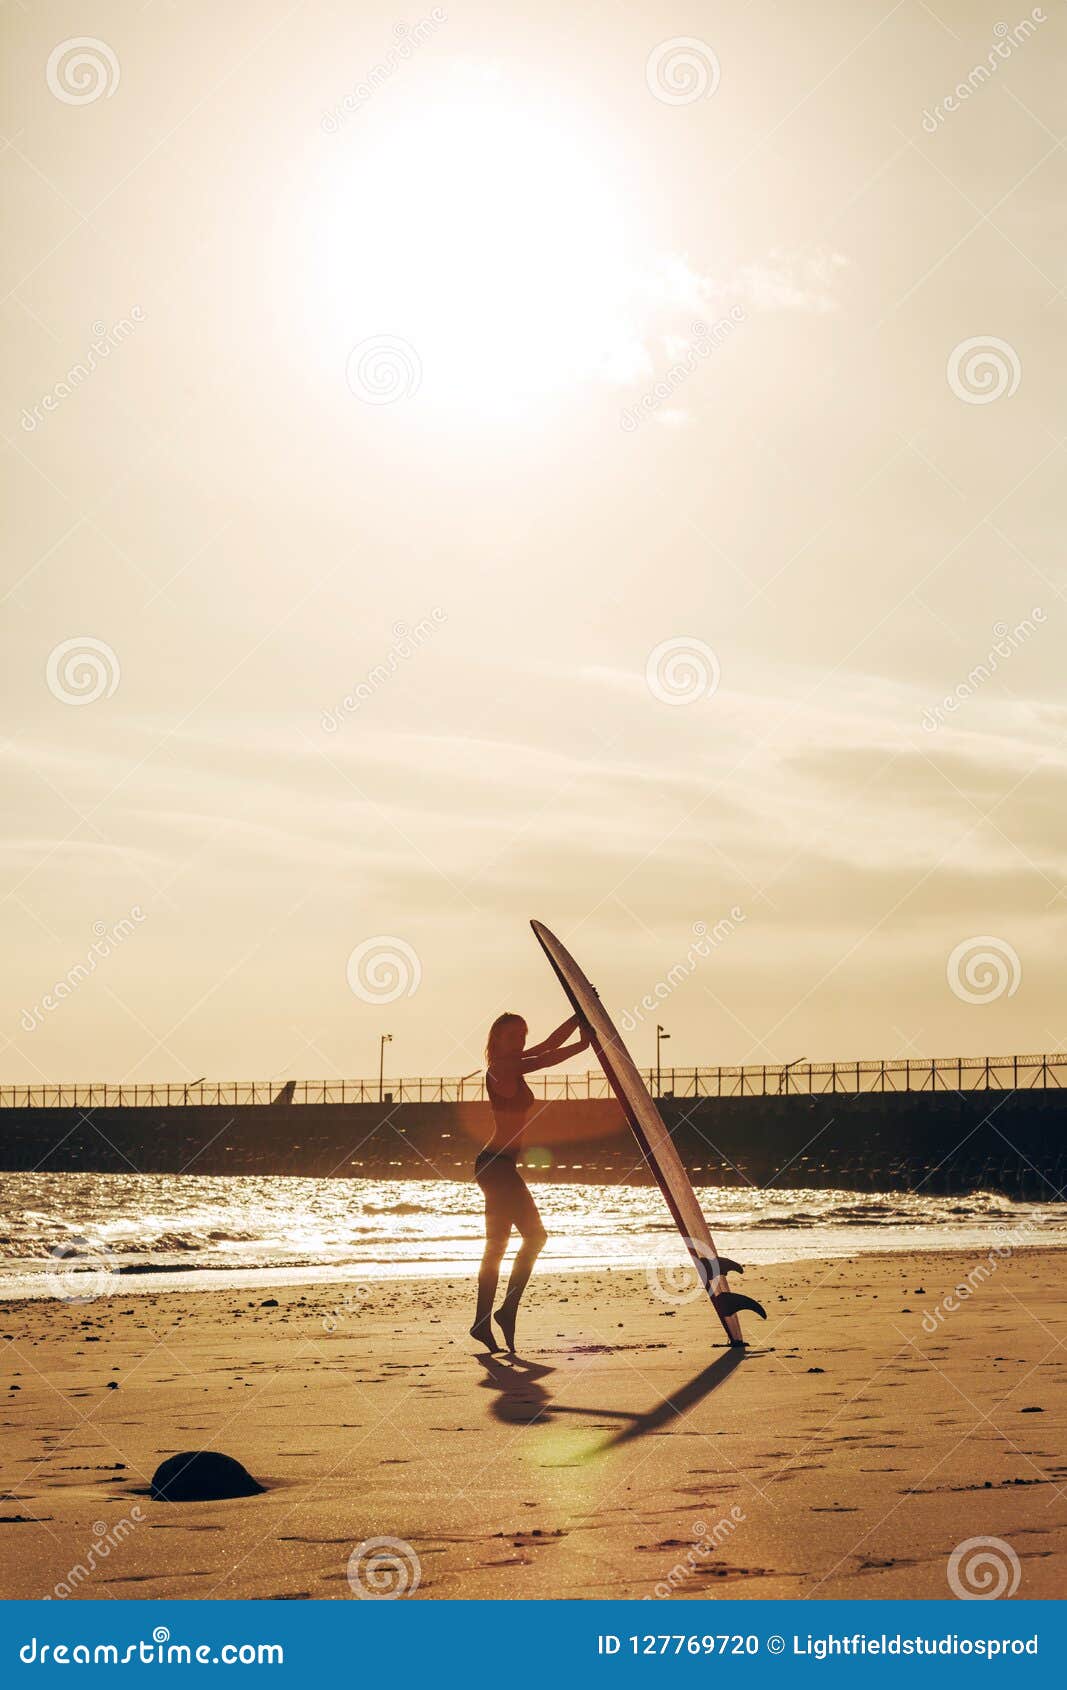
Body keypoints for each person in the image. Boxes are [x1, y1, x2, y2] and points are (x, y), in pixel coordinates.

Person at [471, 1010, 589, 1352]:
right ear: (496, 1039)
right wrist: (582, 1041)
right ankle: (503, 1313)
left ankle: (485, 1321)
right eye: (512, 1036)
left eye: (523, 1035)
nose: (520, 1041)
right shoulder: (502, 1067)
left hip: (499, 1166)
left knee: (502, 1246)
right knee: (534, 1237)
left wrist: (576, 1017)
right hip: (495, 1166)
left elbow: (548, 1045)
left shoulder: (514, 1060)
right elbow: (550, 1056)